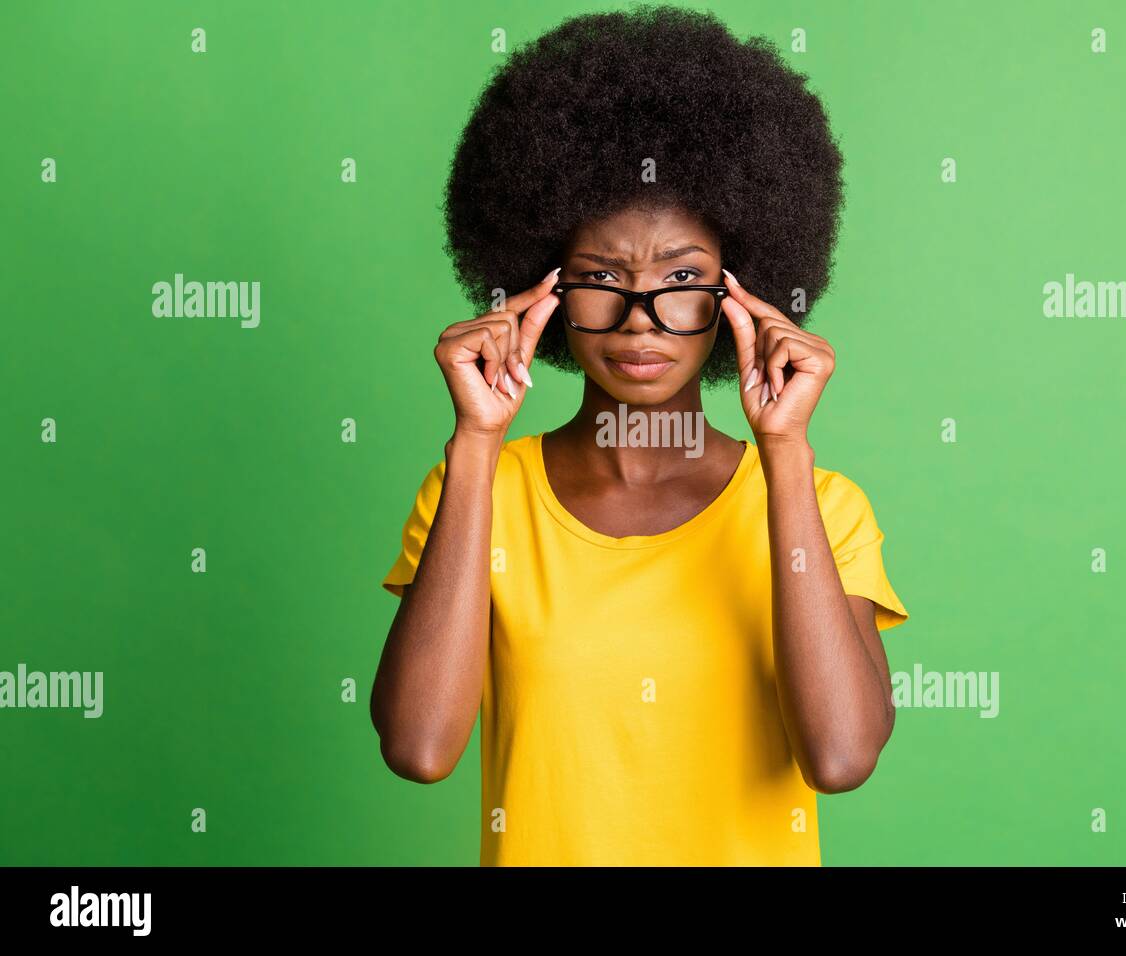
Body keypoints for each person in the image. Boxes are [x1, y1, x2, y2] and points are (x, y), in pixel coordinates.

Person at [370, 4, 908, 866]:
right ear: (543, 293)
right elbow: (419, 749)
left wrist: (785, 452)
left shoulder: (821, 505)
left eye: (683, 278)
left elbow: (841, 758)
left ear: (741, 293)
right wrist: (473, 441)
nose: (639, 321)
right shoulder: (482, 494)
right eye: (599, 278)